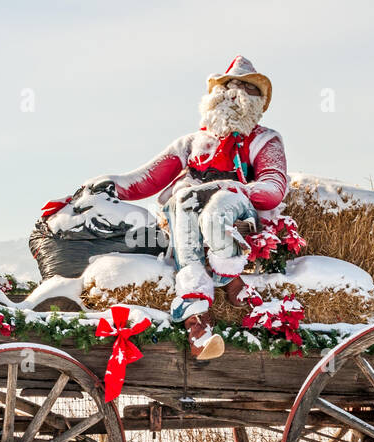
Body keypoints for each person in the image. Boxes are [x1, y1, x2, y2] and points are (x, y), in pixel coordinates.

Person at [83, 56, 287, 359]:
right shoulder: (192, 143)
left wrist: (228, 186)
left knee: (216, 206)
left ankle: (228, 276)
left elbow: (274, 187)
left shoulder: (264, 140)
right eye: (227, 86)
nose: (233, 93)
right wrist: (109, 184)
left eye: (245, 88)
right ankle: (198, 320)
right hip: (190, 212)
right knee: (182, 198)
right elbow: (147, 178)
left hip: (238, 206)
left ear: (258, 102)